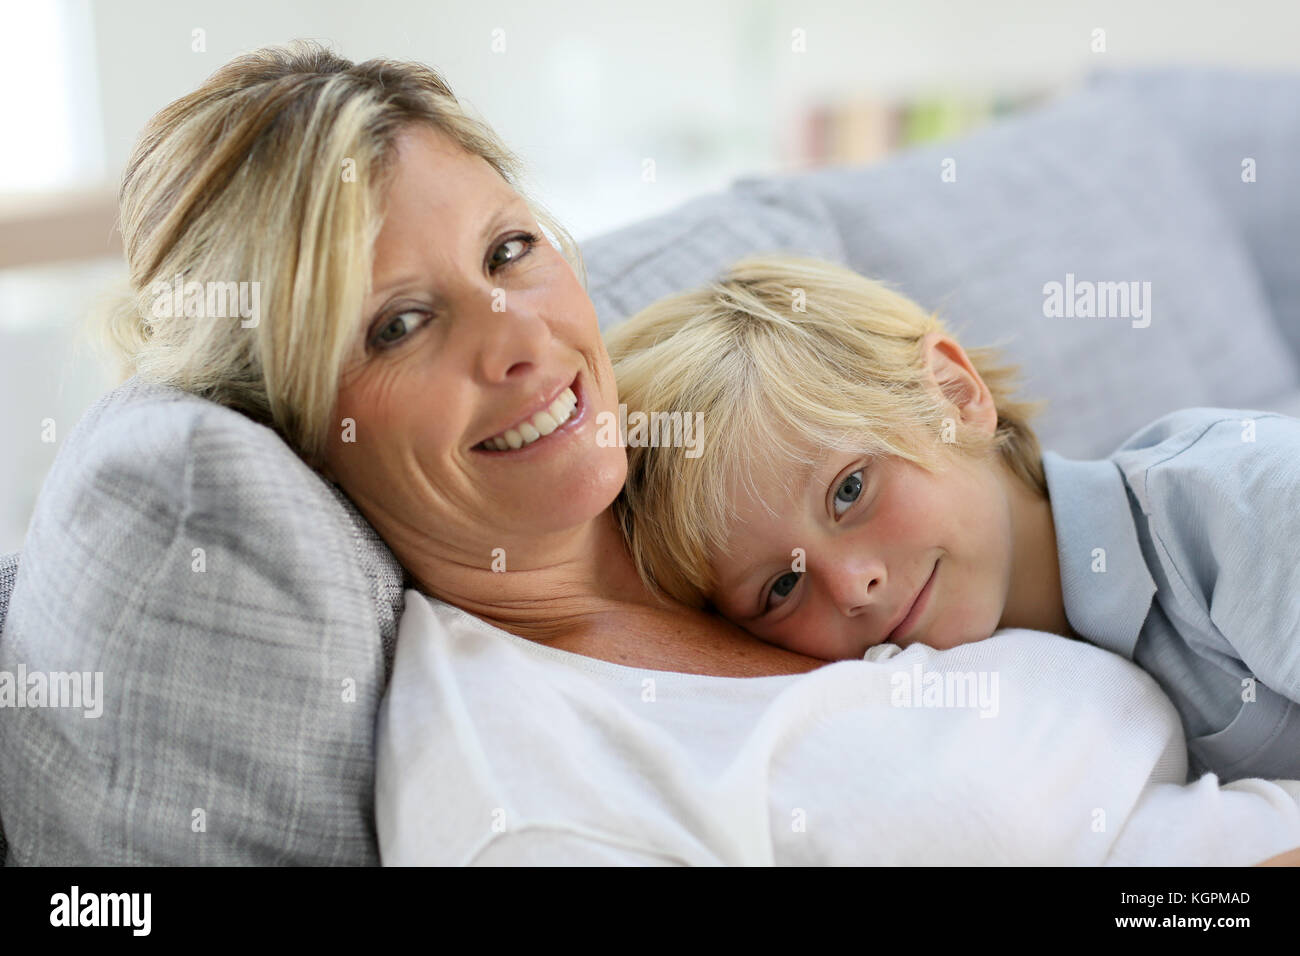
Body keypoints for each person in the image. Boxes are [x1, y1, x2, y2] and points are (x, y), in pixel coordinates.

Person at [94, 40, 1300, 865]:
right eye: (401, 324)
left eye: (510, 251)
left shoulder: (693, 496)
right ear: (303, 424)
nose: (522, 341)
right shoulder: (521, 786)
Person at [605, 255, 1300, 786]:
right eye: (780, 590)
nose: (852, 586)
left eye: (849, 490)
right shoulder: (972, 723)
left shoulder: (1237, 503)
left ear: (954, 393)